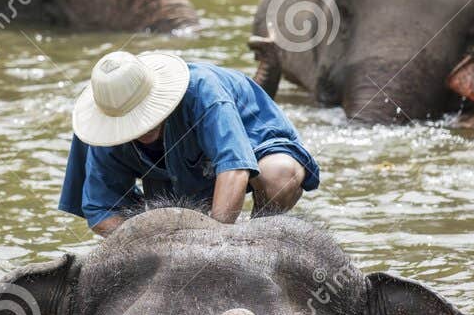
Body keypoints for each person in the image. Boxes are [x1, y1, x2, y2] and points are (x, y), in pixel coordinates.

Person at [60, 51, 320, 237]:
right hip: (171, 171)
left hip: (250, 147)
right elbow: (102, 210)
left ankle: (257, 237)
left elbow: (234, 168)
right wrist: (147, 241)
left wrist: (215, 241)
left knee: (279, 175)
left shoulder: (204, 92)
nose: (143, 128)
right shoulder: (104, 127)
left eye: (145, 116)